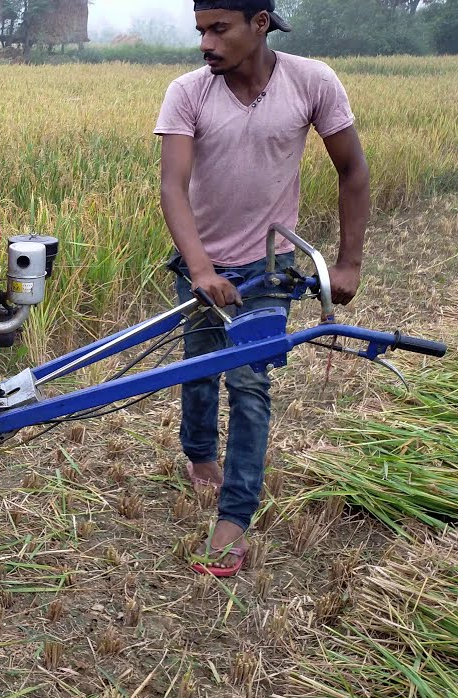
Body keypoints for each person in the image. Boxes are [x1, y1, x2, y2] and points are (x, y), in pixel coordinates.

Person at [154, 0, 370, 576]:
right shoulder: (188, 92)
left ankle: (234, 518)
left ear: (260, 24)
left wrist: (347, 263)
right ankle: (200, 453)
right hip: (200, 262)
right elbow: (173, 186)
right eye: (200, 30)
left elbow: (352, 168)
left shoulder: (311, 82)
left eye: (219, 29)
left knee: (249, 387)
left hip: (268, 267)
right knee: (196, 368)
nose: (206, 43)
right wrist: (200, 269)